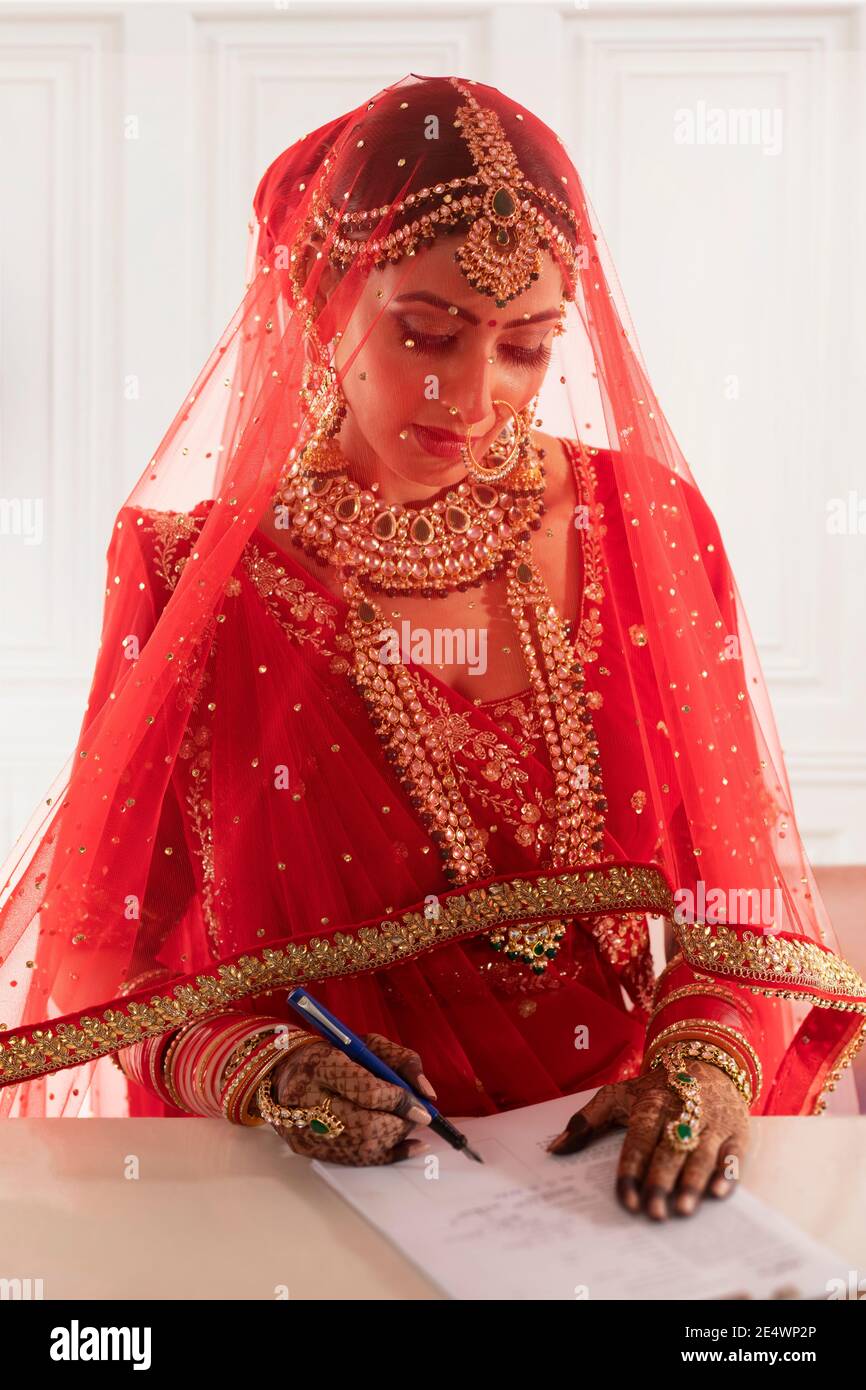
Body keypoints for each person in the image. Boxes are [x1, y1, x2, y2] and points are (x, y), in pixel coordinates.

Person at [1, 74, 862, 1223]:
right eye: (425, 334)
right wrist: (263, 1074)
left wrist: (703, 1055)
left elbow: (737, 902)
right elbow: (112, 967)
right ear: (319, 298)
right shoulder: (189, 578)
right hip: (311, 1187)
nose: (471, 395)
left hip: (594, 1184)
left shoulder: (643, 527)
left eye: (526, 347)